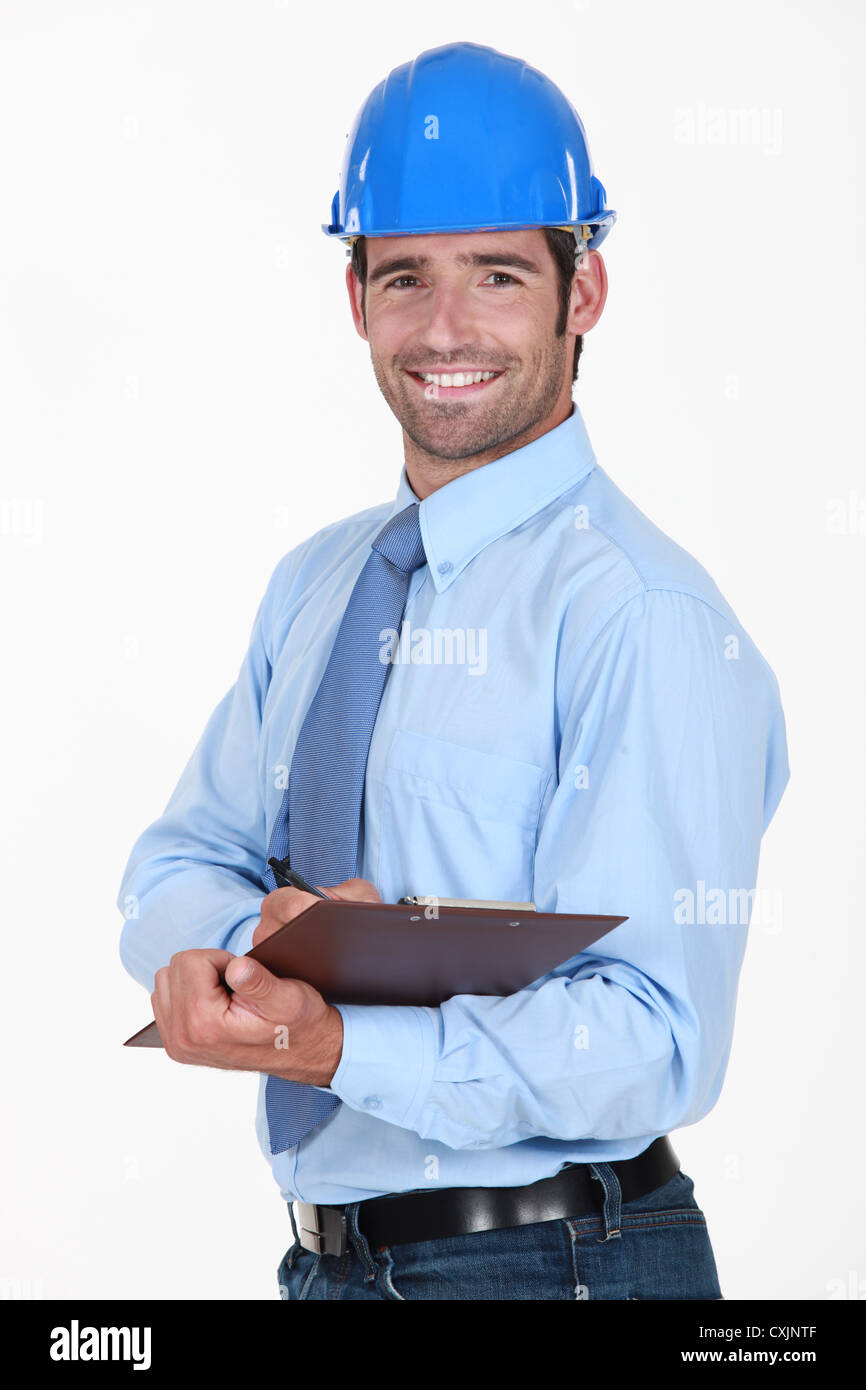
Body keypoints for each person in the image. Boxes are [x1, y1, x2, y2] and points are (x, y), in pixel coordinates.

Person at [118, 41, 789, 1301]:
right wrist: (256, 959)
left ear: (580, 292)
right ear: (355, 298)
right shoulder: (318, 585)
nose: (444, 330)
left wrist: (339, 1043)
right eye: (405, 278)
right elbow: (174, 864)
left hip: (554, 1263)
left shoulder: (638, 615)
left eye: (495, 275)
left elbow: (651, 1038)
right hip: (328, 1265)